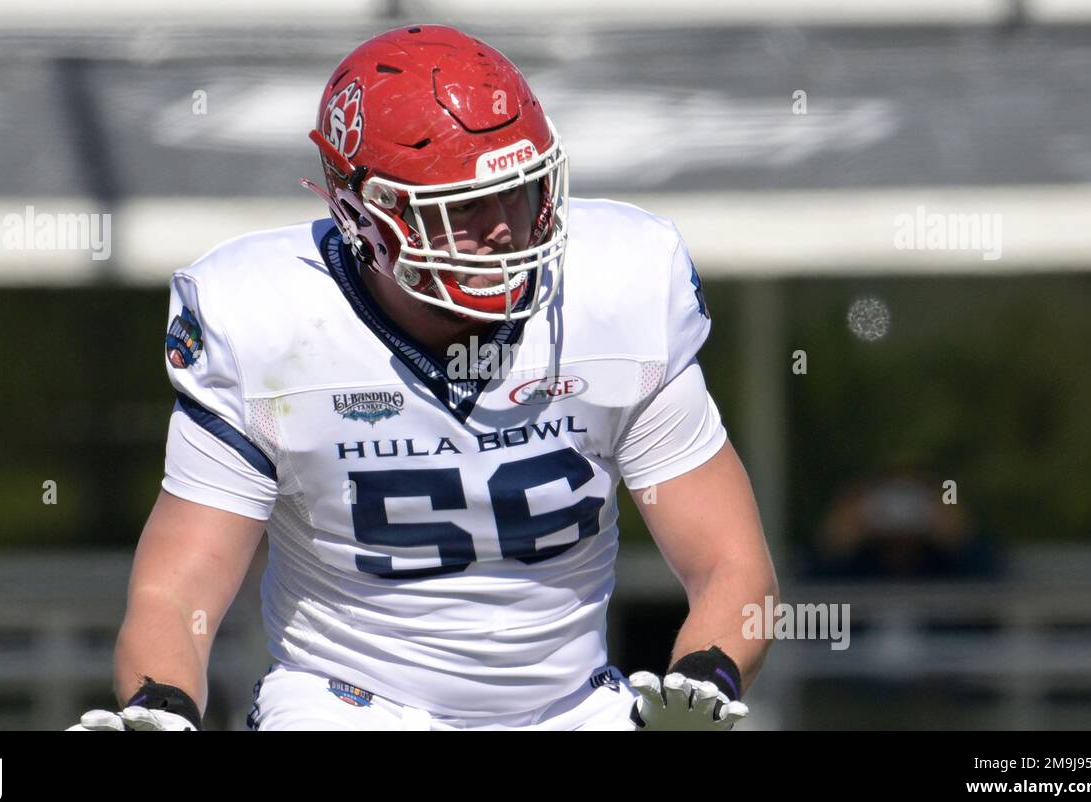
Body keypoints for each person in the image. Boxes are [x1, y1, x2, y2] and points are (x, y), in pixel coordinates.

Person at [70, 24, 777, 731]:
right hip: (347, 702)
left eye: (521, 191)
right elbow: (176, 589)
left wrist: (703, 676)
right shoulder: (265, 319)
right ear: (364, 217)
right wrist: (162, 705)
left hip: (573, 704)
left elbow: (730, 564)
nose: (505, 228)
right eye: (466, 207)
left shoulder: (619, 289)